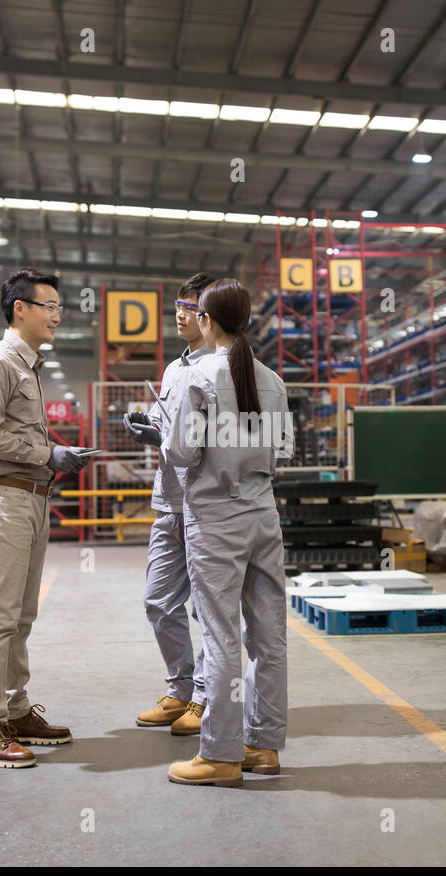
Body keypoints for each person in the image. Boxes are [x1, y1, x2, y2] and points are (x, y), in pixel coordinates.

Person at [157, 277, 294, 787]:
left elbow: (180, 454)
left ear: (208, 321)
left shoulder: (199, 377)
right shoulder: (273, 380)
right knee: (269, 637)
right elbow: (283, 452)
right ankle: (263, 746)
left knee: (220, 637)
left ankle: (219, 754)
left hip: (216, 520)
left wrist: (167, 422)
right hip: (264, 516)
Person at [0, 268, 94, 769]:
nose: (58, 315)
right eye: (50, 306)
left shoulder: (29, 365)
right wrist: (48, 456)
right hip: (7, 501)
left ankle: (15, 712)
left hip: (32, 500)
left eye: (60, 307)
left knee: (21, 617)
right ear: (21, 308)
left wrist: (54, 456)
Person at [123, 273, 215, 736]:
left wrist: (171, 438)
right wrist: (148, 428)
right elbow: (166, 426)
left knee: (208, 609)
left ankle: (204, 696)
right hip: (169, 500)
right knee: (158, 600)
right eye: (177, 305)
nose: (180, 314)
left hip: (206, 503)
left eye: (190, 305)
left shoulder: (222, 367)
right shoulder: (175, 368)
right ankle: (180, 689)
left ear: (211, 312)